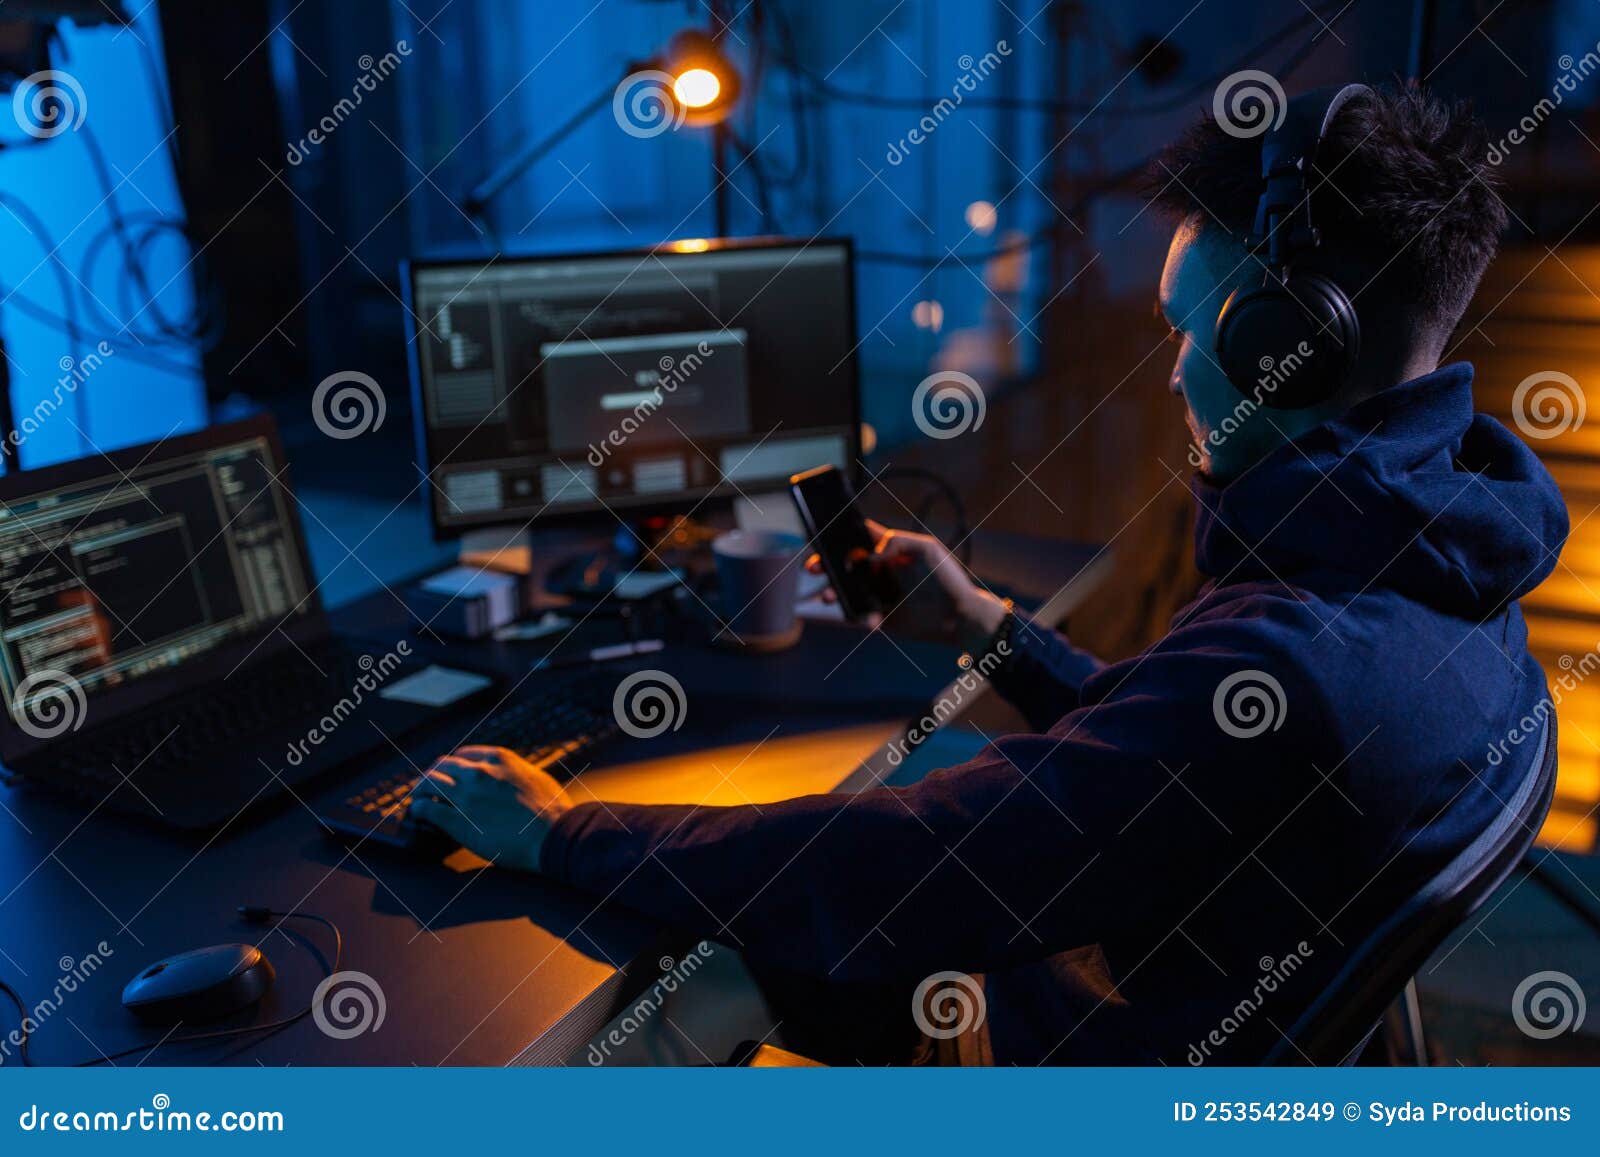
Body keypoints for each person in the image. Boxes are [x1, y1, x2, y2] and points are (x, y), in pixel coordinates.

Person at [409, 82, 1568, 1065]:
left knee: (712, 945)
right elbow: (1180, 744)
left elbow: (905, 868)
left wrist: (560, 830)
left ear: (1289, 346)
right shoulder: (1444, 564)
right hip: (1196, 977)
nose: (1172, 377)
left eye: (1188, 330)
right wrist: (986, 628)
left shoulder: (1304, 652)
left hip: (1095, 1043)